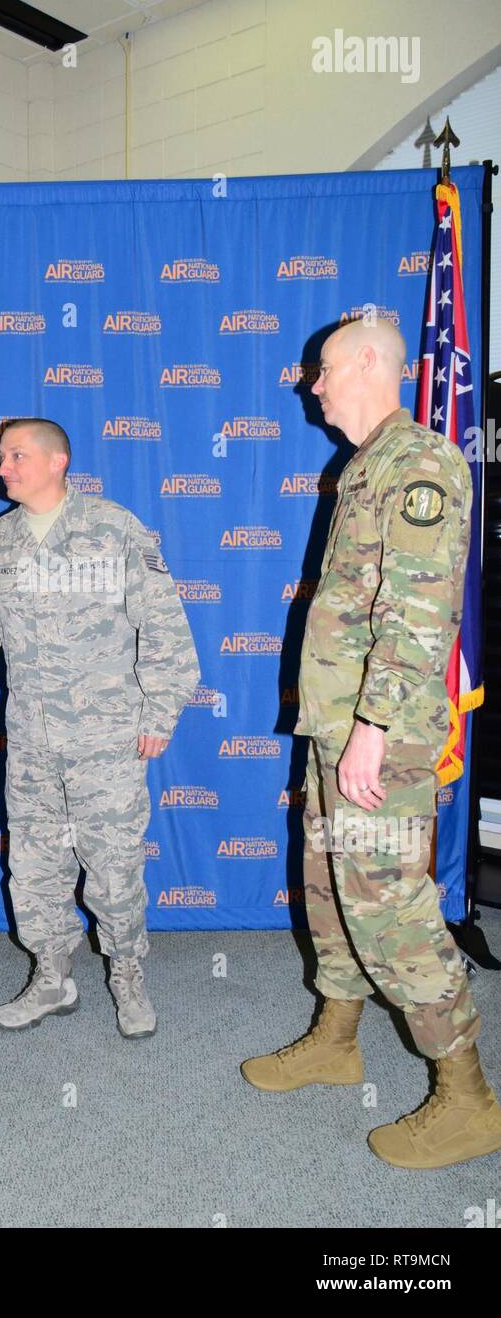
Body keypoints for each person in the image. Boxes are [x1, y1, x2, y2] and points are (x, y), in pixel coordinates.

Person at [240, 318, 501, 1168]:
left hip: (377, 735)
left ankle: (466, 1096)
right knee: (329, 886)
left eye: (320, 370)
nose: (310, 385)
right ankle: (336, 1037)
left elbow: (418, 613)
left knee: (390, 906)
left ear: (363, 365)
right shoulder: (363, 464)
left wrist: (375, 729)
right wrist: (345, 725)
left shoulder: (419, 461)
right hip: (343, 723)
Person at [0, 418, 200, 1038]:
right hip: (31, 740)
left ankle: (127, 978)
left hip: (106, 739)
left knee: (113, 866)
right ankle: (51, 976)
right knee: (34, 866)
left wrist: (159, 713)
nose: (1, 467)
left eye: (15, 455)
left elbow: (164, 626)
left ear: (58, 460)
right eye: (1, 456)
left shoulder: (115, 529)